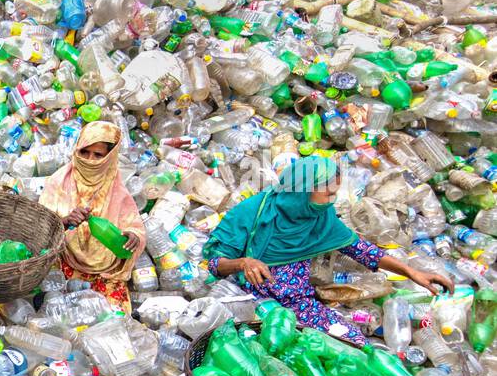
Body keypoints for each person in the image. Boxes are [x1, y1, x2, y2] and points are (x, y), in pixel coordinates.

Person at [204, 155, 453, 347]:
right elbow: (215, 264)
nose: (331, 201)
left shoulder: (321, 217)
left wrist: (412, 272)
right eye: (327, 194)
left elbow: (363, 251)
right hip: (251, 306)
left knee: (354, 345)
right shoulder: (252, 213)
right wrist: (243, 263)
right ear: (302, 189)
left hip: (300, 306)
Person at [39, 120, 146, 313]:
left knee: (111, 322)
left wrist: (133, 236)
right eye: (84, 152)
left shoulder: (117, 190)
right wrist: (64, 221)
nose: (89, 159)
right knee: (61, 315)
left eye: (98, 155)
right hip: (65, 266)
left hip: (105, 273)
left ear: (110, 157)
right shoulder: (58, 182)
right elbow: (39, 228)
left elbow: (135, 226)